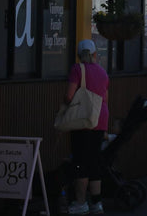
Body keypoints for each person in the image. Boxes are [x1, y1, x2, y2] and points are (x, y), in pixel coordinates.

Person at [64, 39, 109, 215]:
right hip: (100, 118)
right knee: (94, 160)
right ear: (95, 54)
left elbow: (69, 96)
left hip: (83, 121)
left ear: (78, 55)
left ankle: (80, 203)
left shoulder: (77, 69)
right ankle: (97, 203)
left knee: (80, 160)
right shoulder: (103, 73)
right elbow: (105, 99)